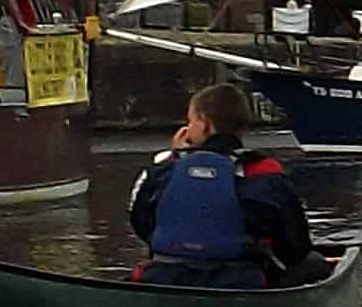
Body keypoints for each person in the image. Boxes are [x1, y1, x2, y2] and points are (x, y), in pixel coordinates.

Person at [126, 81, 317, 289]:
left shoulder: (162, 171)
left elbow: (142, 223)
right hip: (240, 284)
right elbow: (295, 246)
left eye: (190, 121)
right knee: (310, 264)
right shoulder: (265, 172)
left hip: (163, 279)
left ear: (204, 123)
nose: (187, 129)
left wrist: (177, 158)